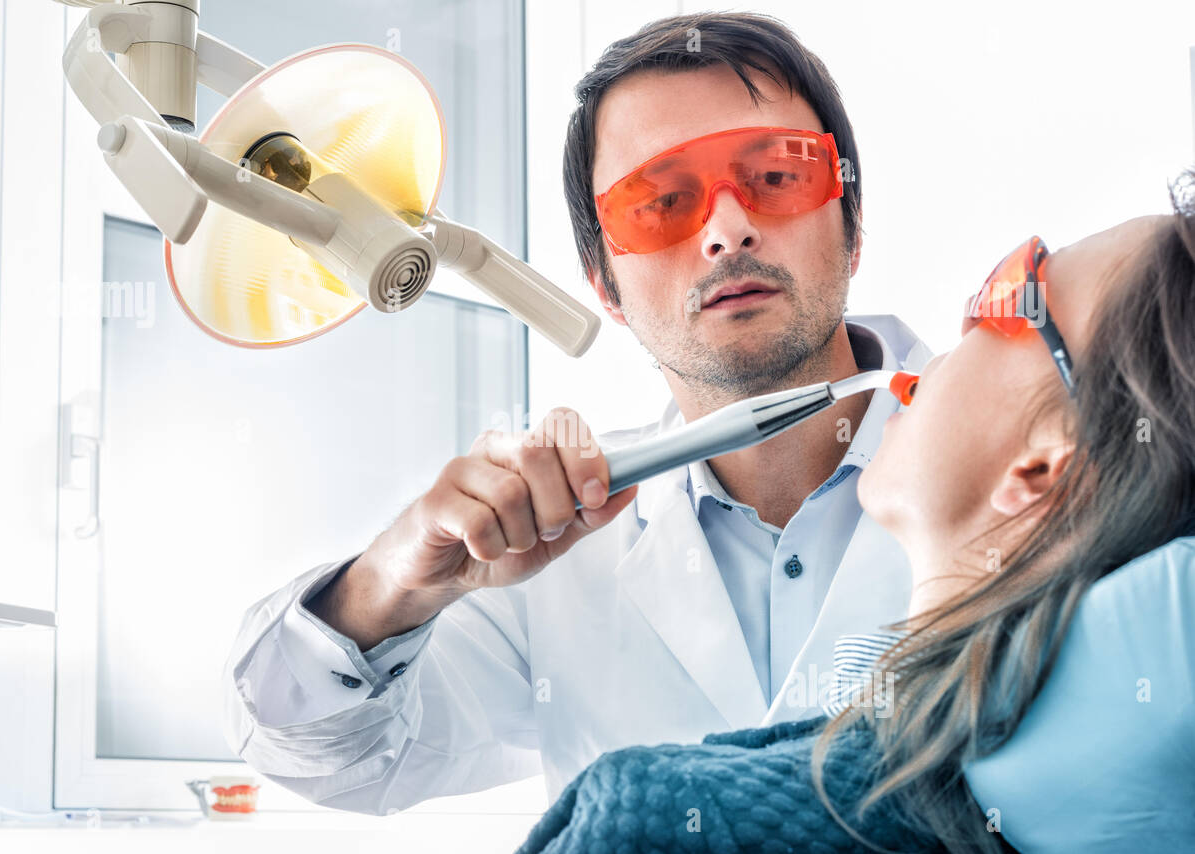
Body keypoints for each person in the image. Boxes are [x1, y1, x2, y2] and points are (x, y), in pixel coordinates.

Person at [220, 12, 931, 813]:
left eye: (775, 175)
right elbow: (328, 755)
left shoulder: (1037, 450)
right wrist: (396, 579)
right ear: (603, 285)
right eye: (660, 201)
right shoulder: (555, 545)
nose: (729, 230)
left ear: (853, 223)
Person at [509, 183, 1195, 854]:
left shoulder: (645, 829)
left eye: (1011, 289)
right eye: (660, 201)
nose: (961, 325)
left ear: (1043, 467)